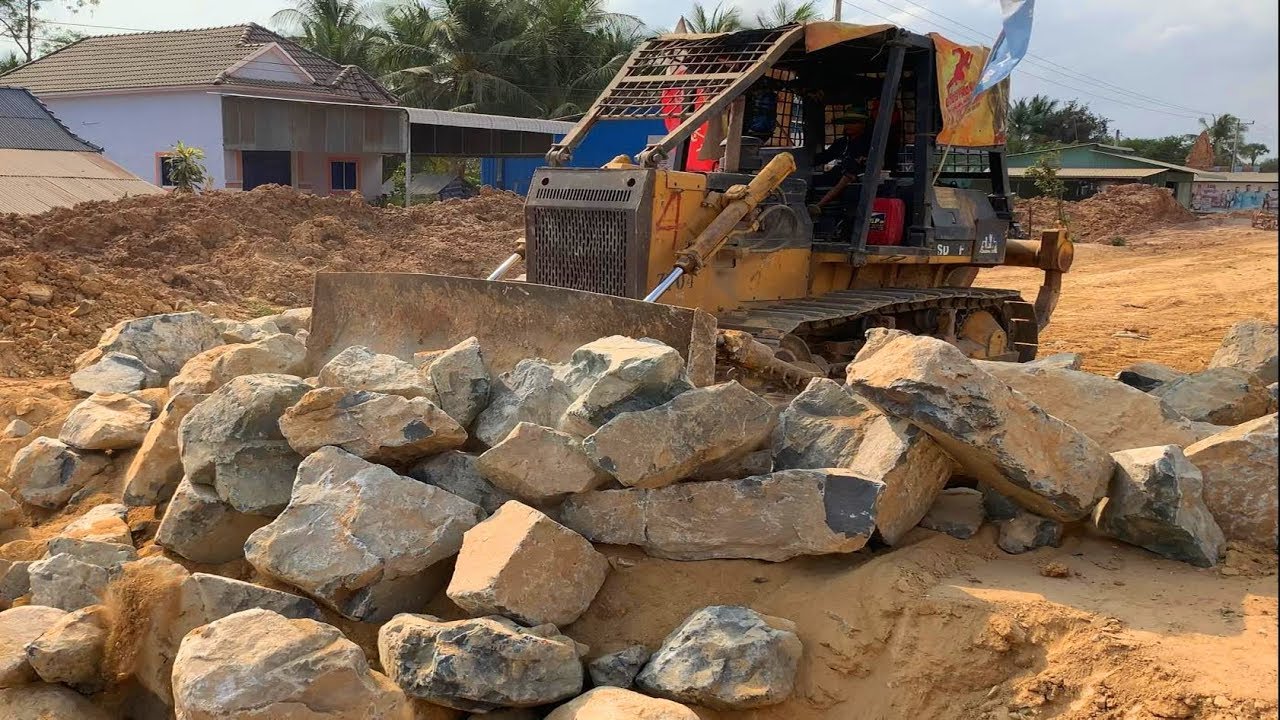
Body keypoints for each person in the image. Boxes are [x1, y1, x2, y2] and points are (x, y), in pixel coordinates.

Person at [810, 112, 872, 215]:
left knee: (850, 169)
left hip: (856, 176)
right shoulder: (841, 142)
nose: (848, 126)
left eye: (853, 123)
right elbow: (825, 157)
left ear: (863, 125)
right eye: (847, 123)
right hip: (837, 174)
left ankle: (819, 206)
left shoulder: (868, 142)